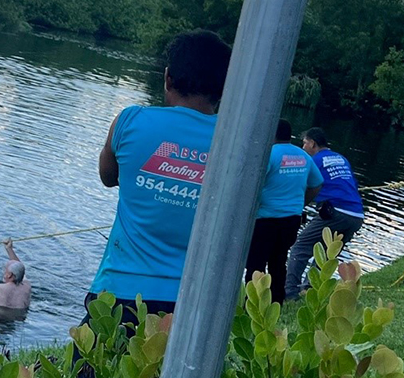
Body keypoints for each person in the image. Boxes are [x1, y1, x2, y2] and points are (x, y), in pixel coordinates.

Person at [87, 30, 232, 326]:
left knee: (95, 370)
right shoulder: (237, 142)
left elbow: (108, 177)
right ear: (223, 87)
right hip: (195, 301)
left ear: (168, 79)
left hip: (118, 294)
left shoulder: (130, 120)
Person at [246, 119, 323, 305]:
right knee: (279, 261)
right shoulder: (303, 155)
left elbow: (252, 185)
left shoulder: (268, 155)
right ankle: (277, 301)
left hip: (266, 219)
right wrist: (301, 204)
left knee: (256, 263)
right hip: (292, 219)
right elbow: (317, 183)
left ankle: (252, 303)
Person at [284, 127, 363, 299]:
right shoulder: (341, 158)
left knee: (300, 247)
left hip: (336, 212)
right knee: (327, 253)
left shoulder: (314, 161)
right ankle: (311, 290)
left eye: (304, 143)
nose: (303, 147)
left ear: (312, 143)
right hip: (357, 215)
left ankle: (289, 292)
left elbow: (304, 185)